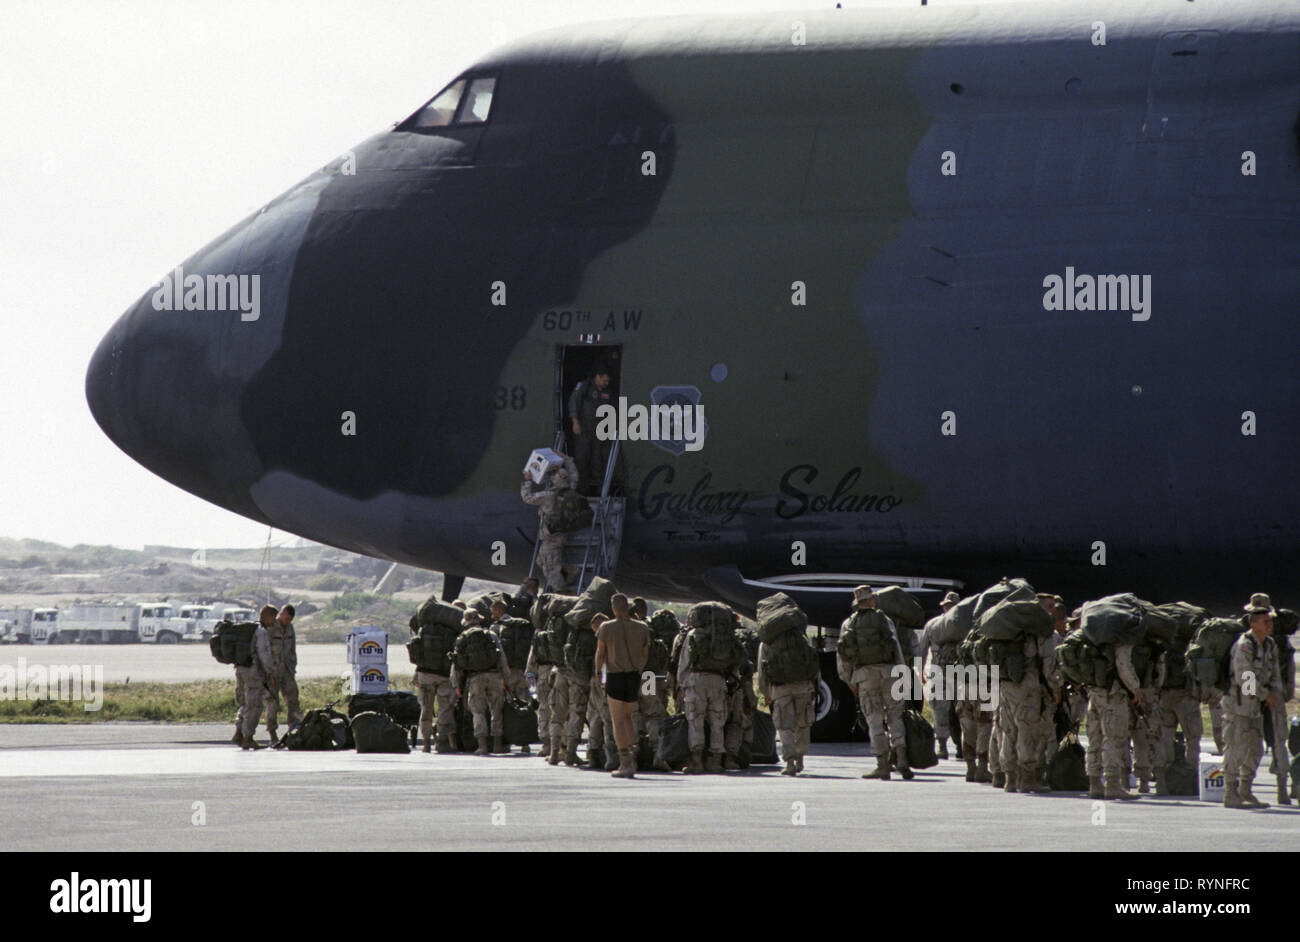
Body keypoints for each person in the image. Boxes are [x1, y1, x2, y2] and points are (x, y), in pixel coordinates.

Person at [838, 586, 910, 781]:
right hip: (889, 673)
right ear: (872, 600)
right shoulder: (885, 620)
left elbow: (843, 657)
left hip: (865, 677)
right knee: (895, 716)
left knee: (874, 720)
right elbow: (896, 648)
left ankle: (882, 766)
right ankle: (902, 760)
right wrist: (902, 674)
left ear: (857, 602)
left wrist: (849, 681)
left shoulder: (849, 624)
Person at [1222, 601, 1284, 809]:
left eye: (1270, 621)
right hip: (1238, 707)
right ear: (1254, 623)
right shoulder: (1244, 646)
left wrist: (1275, 692)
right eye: (1265, 622)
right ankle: (1230, 793)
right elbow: (1244, 679)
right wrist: (1265, 695)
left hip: (1257, 709)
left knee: (1256, 750)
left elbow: (1275, 672)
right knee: (1236, 748)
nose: (1270, 625)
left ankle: (1245, 790)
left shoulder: (1270, 645)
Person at [595, 594, 650, 779]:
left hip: (615, 676)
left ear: (613, 608)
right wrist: (638, 670)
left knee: (617, 719)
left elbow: (600, 653)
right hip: (633, 676)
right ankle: (633, 756)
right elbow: (644, 654)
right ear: (628, 606)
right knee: (628, 717)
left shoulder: (606, 627)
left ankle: (625, 762)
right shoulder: (642, 627)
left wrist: (597, 673)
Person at [677, 608, 734, 774]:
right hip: (719, 681)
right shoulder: (724, 635)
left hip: (696, 681)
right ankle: (716, 762)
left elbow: (684, 662)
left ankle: (697, 762)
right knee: (717, 722)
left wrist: (682, 684)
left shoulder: (693, 635)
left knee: (696, 721)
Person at [1088, 640, 1142, 800]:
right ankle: (1112, 784)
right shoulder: (1121, 643)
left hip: (1094, 693)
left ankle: (1095, 783)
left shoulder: (1092, 638)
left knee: (1094, 739)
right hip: (1113, 696)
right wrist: (1135, 689)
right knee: (1113, 738)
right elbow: (1124, 667)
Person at [450, 618, 511, 755]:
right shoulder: (491, 635)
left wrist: (456, 684)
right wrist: (506, 678)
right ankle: (497, 745)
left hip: (475, 678)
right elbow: (501, 657)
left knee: (478, 712)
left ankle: (482, 746)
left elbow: (456, 664)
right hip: (494, 676)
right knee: (496, 711)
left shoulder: (463, 638)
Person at [918, 591, 960, 758]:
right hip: (943, 672)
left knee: (958, 709)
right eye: (947, 605)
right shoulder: (933, 624)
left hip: (957, 672)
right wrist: (919, 672)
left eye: (951, 605)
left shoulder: (962, 625)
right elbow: (921, 651)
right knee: (941, 708)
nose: (948, 608)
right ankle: (943, 745)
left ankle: (959, 746)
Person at [520, 466, 574, 592]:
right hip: (559, 535)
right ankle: (567, 571)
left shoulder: (548, 496)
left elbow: (527, 498)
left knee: (550, 568)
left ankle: (560, 593)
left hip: (551, 538)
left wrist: (528, 480)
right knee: (540, 560)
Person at [238, 605, 278, 750]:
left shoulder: (252, 629)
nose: (274, 622)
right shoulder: (261, 632)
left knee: (245, 703)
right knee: (255, 705)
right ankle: (247, 738)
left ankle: (239, 732)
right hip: (253, 672)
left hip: (242, 670)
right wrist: (271, 672)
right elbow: (264, 655)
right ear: (267, 617)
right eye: (273, 618)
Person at [568, 368, 613, 495]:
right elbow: (573, 403)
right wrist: (575, 422)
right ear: (598, 376)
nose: (606, 383)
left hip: (598, 431)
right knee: (581, 459)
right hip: (583, 430)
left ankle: (600, 491)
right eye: (604, 380)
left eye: (608, 381)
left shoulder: (607, 391)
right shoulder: (584, 387)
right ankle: (582, 490)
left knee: (597, 460)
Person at [262, 604, 303, 746]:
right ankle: (272, 734)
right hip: (272, 671)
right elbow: (264, 650)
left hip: (286, 670)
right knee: (273, 702)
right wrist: (267, 672)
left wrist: (292, 667)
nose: (287, 622)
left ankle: (294, 730)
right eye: (285, 618)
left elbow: (293, 649)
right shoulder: (270, 627)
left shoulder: (290, 628)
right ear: (281, 614)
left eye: (290, 620)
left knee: (293, 699)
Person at [586, 613, 619, 770]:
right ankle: (611, 756)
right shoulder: (609, 638)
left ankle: (593, 754)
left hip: (596, 680)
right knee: (607, 718)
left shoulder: (592, 638)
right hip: (605, 680)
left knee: (595, 717)